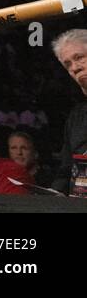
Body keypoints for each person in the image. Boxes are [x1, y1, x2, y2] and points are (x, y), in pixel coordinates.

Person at [49, 29, 87, 194]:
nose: (75, 68)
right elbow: (65, 169)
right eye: (68, 64)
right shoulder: (76, 116)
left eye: (79, 58)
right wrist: (54, 193)